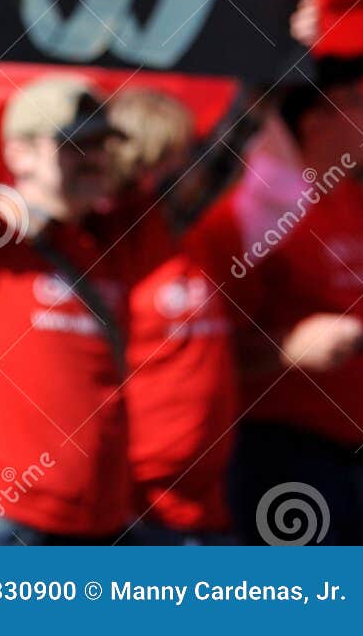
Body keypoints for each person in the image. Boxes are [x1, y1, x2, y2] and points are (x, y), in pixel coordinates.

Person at [0, 0, 268, 545]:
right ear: (18, 153)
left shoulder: (119, 238)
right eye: (74, 145)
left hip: (108, 530)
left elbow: (223, 152)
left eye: (101, 143)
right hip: (5, 531)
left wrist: (273, 40)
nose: (94, 159)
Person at [216, 62, 363, 543]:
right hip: (288, 458)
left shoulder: (359, 201)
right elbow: (204, 353)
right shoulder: (256, 216)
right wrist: (288, 350)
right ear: (316, 120)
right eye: (358, 100)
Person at [108, 87, 237, 544]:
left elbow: (235, 148)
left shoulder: (198, 238)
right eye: (170, 158)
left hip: (208, 503)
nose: (187, 172)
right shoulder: (111, 251)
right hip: (137, 512)